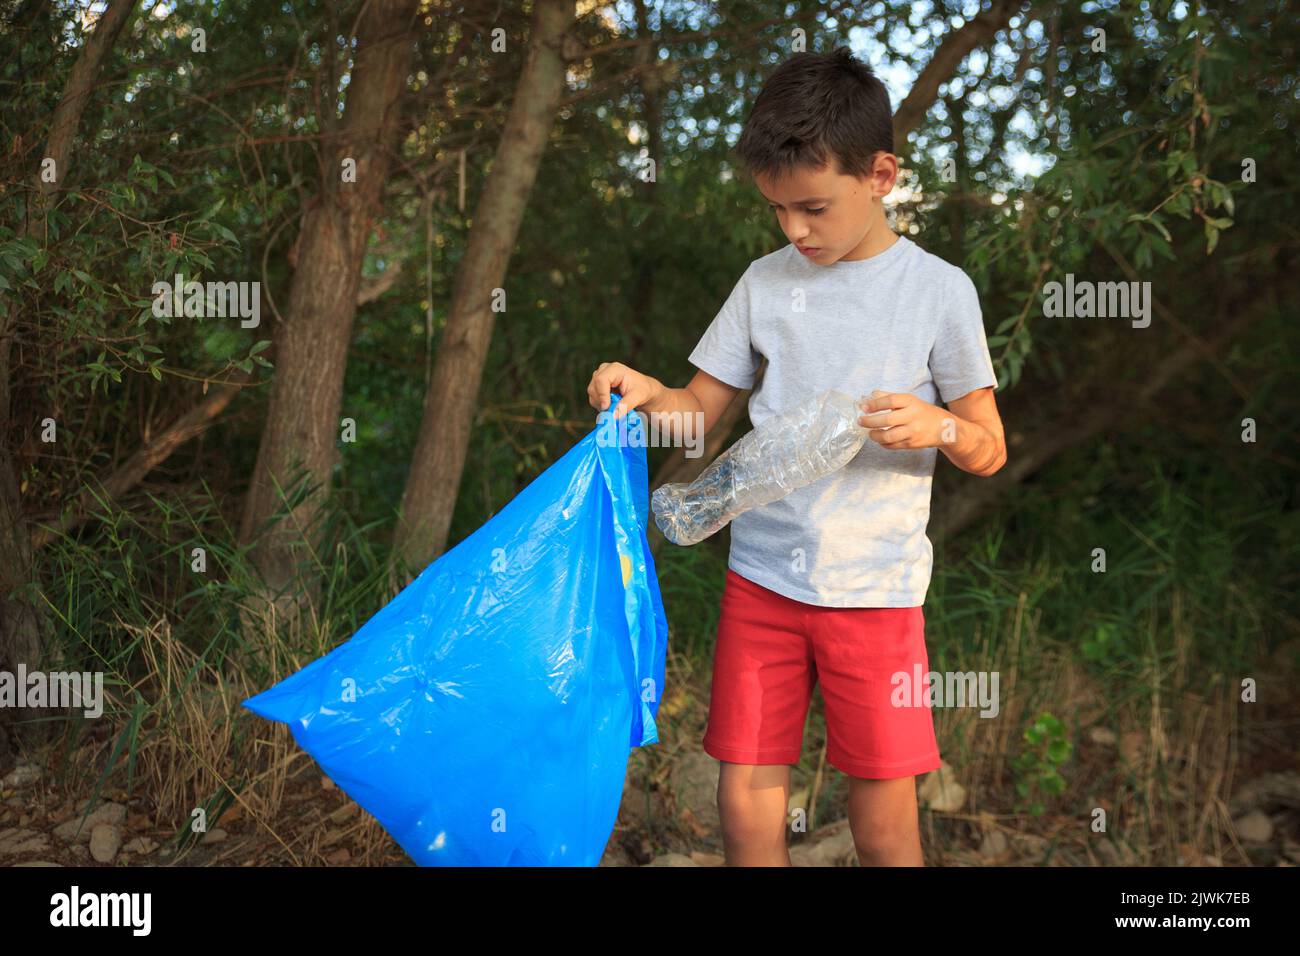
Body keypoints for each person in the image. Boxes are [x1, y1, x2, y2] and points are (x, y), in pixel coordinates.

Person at [586, 47, 1006, 867]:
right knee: (745, 797)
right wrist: (643, 395)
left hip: (876, 593)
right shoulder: (763, 283)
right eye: (777, 211)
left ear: (880, 174)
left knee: (884, 811)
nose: (794, 230)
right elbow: (697, 416)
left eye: (812, 207)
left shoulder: (939, 292)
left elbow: (988, 447)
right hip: (763, 580)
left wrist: (941, 427)